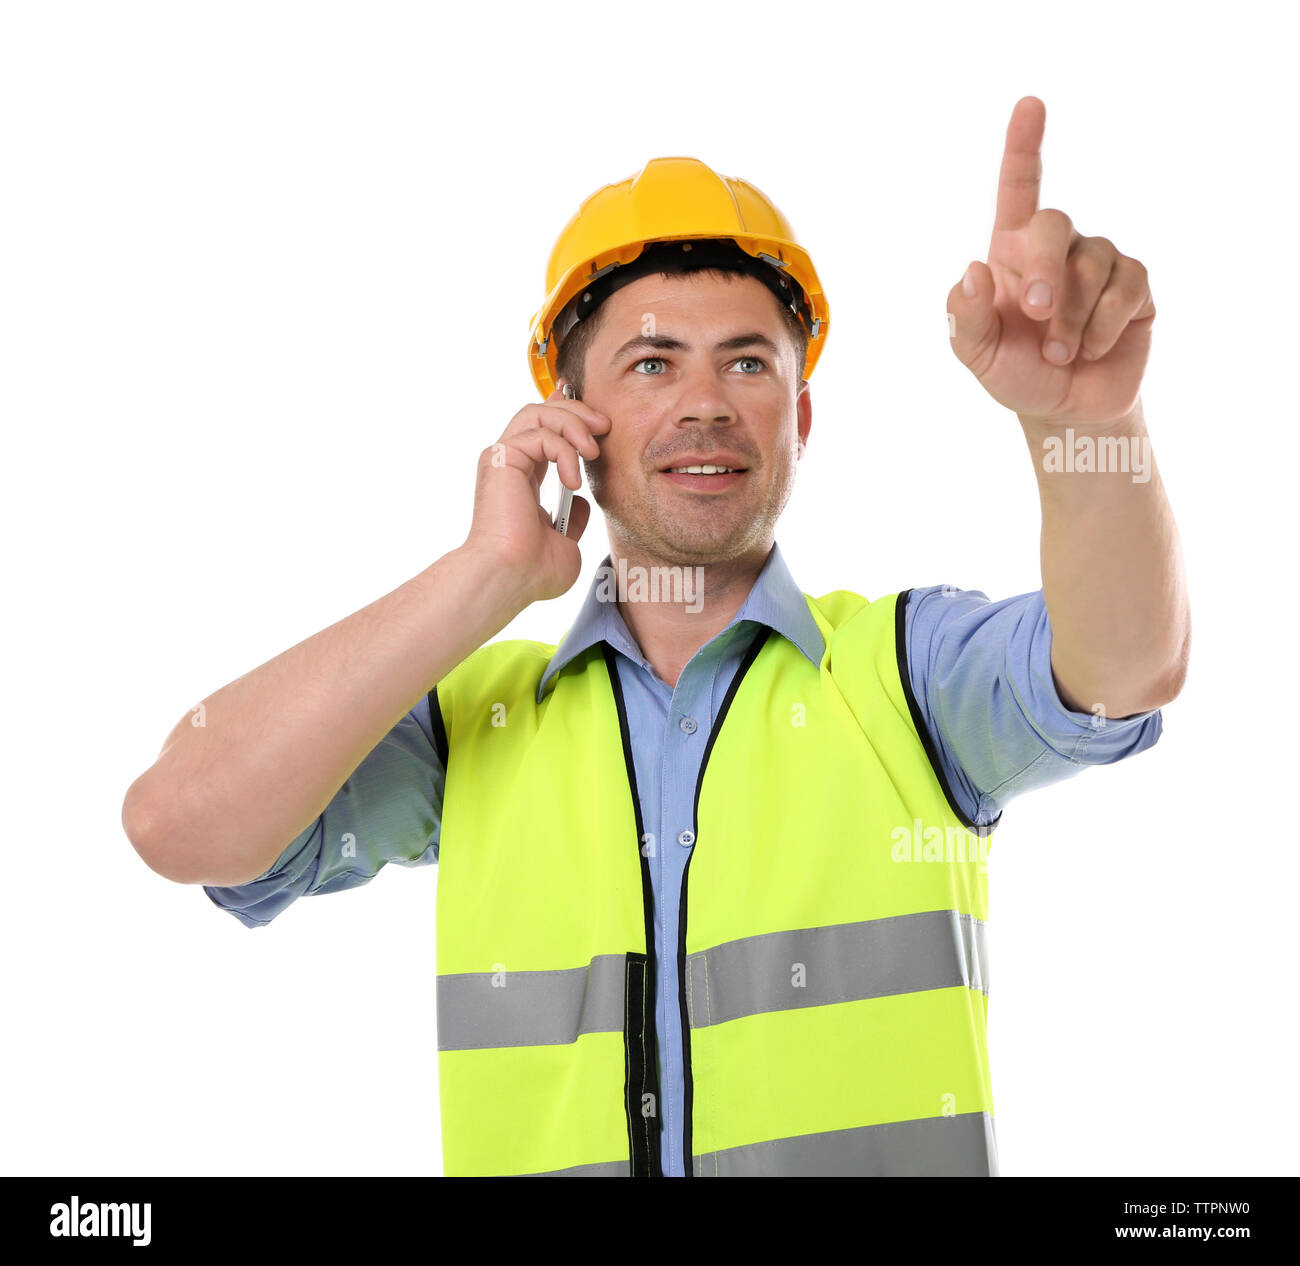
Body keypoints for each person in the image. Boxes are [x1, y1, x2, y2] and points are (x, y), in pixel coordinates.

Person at [121, 98, 1189, 1177]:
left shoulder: (903, 676)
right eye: (649, 364)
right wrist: (482, 576)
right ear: (567, 416)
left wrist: (1083, 427)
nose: (705, 404)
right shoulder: (476, 722)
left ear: (800, 420)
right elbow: (180, 822)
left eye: (747, 364)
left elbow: (1125, 667)